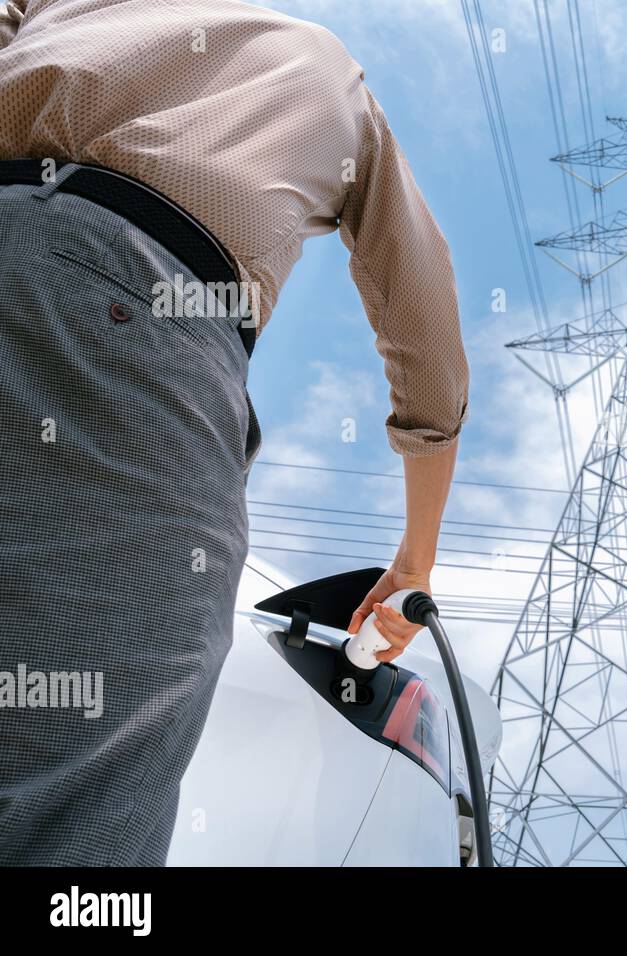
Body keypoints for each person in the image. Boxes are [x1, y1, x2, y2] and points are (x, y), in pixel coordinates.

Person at [0, 0, 468, 864]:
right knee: (70, 825)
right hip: (134, 335)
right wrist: (416, 557)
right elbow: (422, 306)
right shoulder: (324, 69)